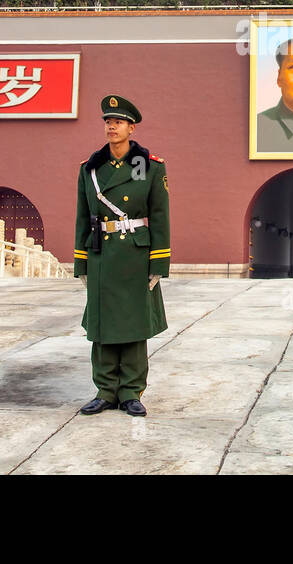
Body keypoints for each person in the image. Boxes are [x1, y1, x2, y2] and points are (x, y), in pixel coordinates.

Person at [73, 94, 170, 418]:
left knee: (132, 324)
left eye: (118, 122)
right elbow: (82, 215)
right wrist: (81, 261)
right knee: (102, 324)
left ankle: (130, 392)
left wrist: (159, 262)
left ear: (132, 127)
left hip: (134, 253)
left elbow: (159, 215)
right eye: (107, 121)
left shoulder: (146, 165)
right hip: (101, 251)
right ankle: (104, 391)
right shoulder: (91, 168)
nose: (111, 126)